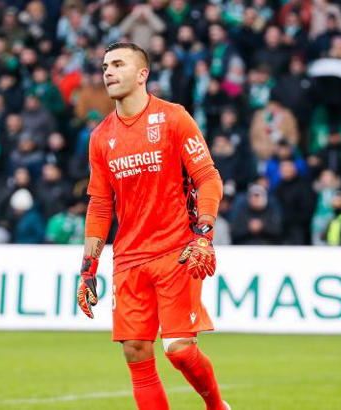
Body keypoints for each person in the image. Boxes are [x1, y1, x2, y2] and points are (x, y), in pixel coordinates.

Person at [78, 43, 228, 410]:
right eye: (105, 66)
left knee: (178, 349)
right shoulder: (100, 137)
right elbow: (100, 205)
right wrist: (88, 269)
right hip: (129, 258)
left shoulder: (174, 118)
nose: (108, 72)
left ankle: (216, 406)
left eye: (118, 64)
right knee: (135, 349)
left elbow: (208, 178)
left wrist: (204, 235)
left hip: (177, 250)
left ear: (142, 74)